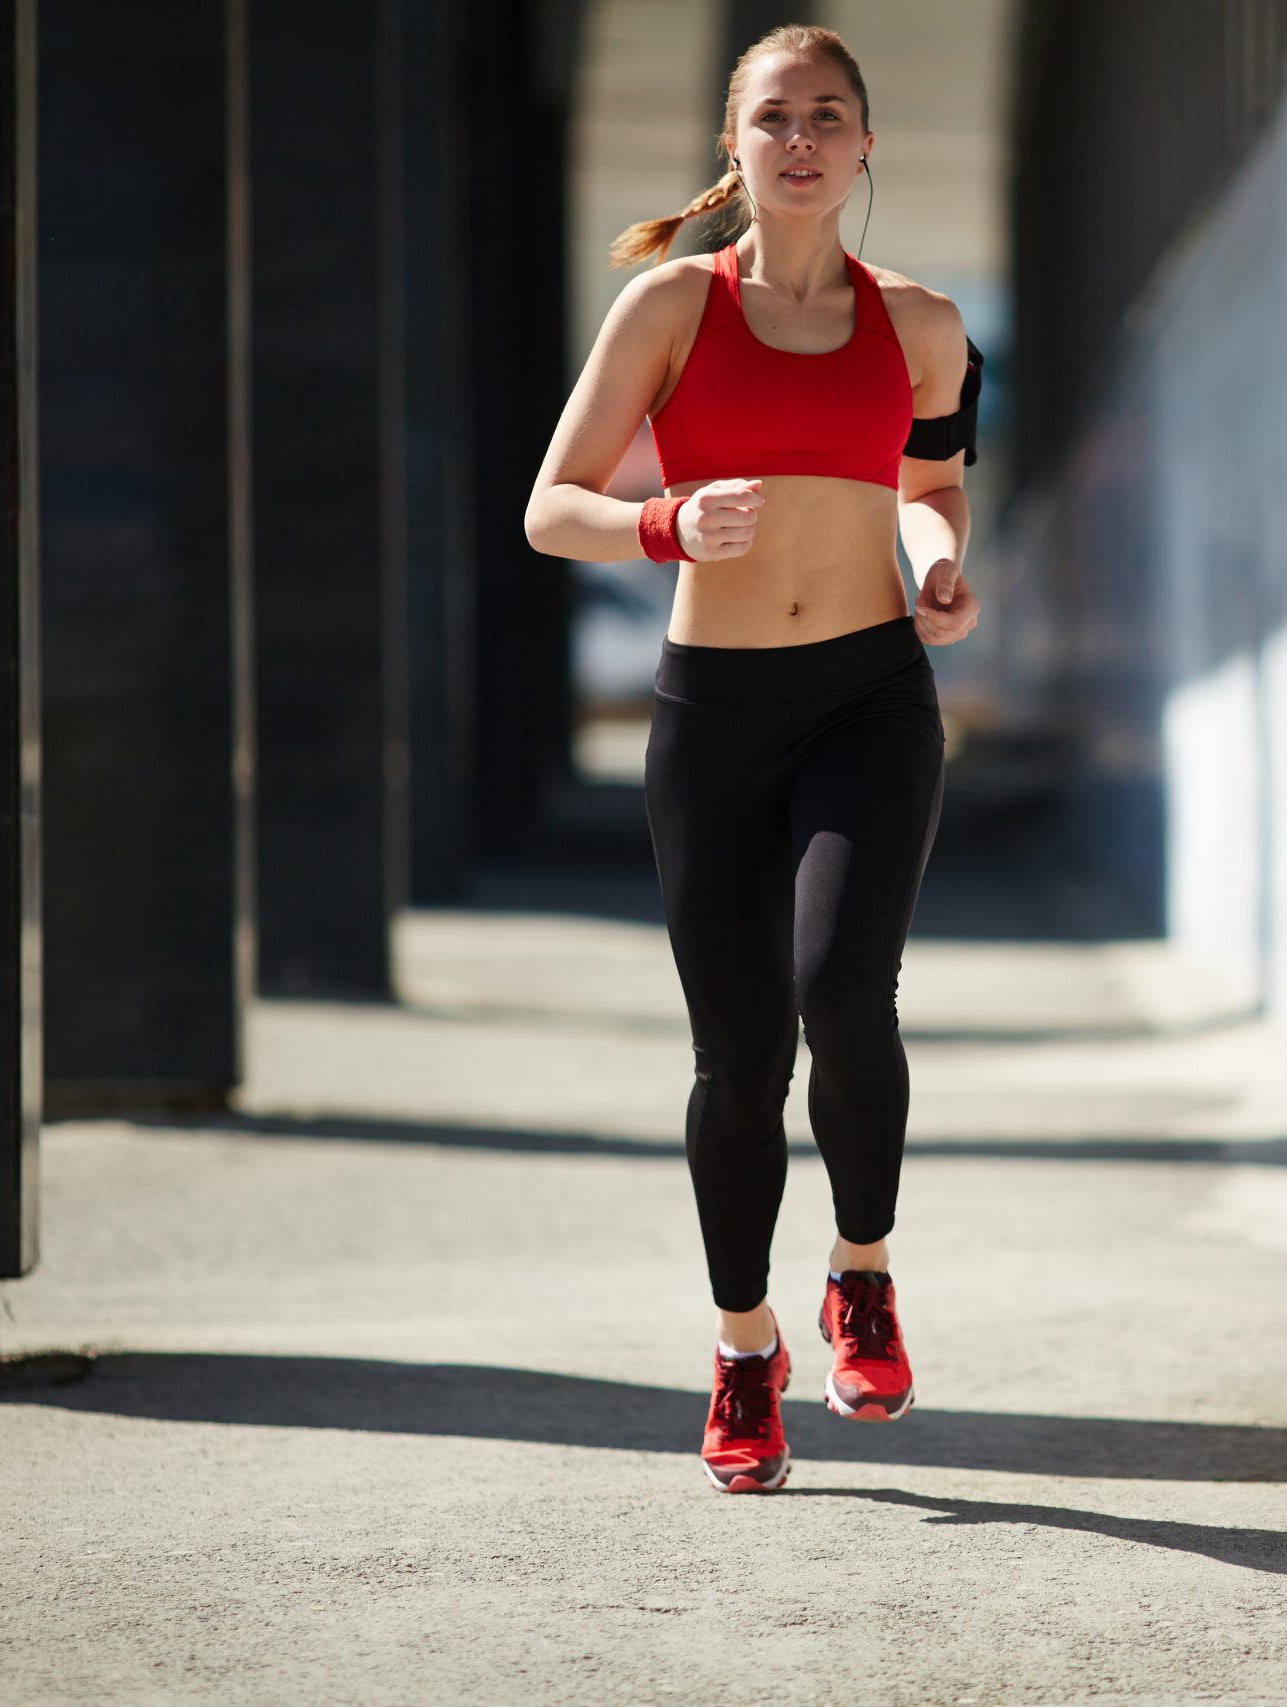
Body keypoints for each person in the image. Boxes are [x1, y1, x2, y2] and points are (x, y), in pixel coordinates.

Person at [524, 23, 981, 1493]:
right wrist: (666, 522)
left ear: (862, 150)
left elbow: (931, 490)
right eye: (774, 117)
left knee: (846, 992)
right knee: (739, 1060)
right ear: (735, 146)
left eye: (828, 118)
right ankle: (742, 1347)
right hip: (712, 711)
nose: (800, 140)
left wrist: (935, 565)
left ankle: (861, 1271)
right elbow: (553, 506)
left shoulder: (921, 326)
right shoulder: (669, 306)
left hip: (870, 697)